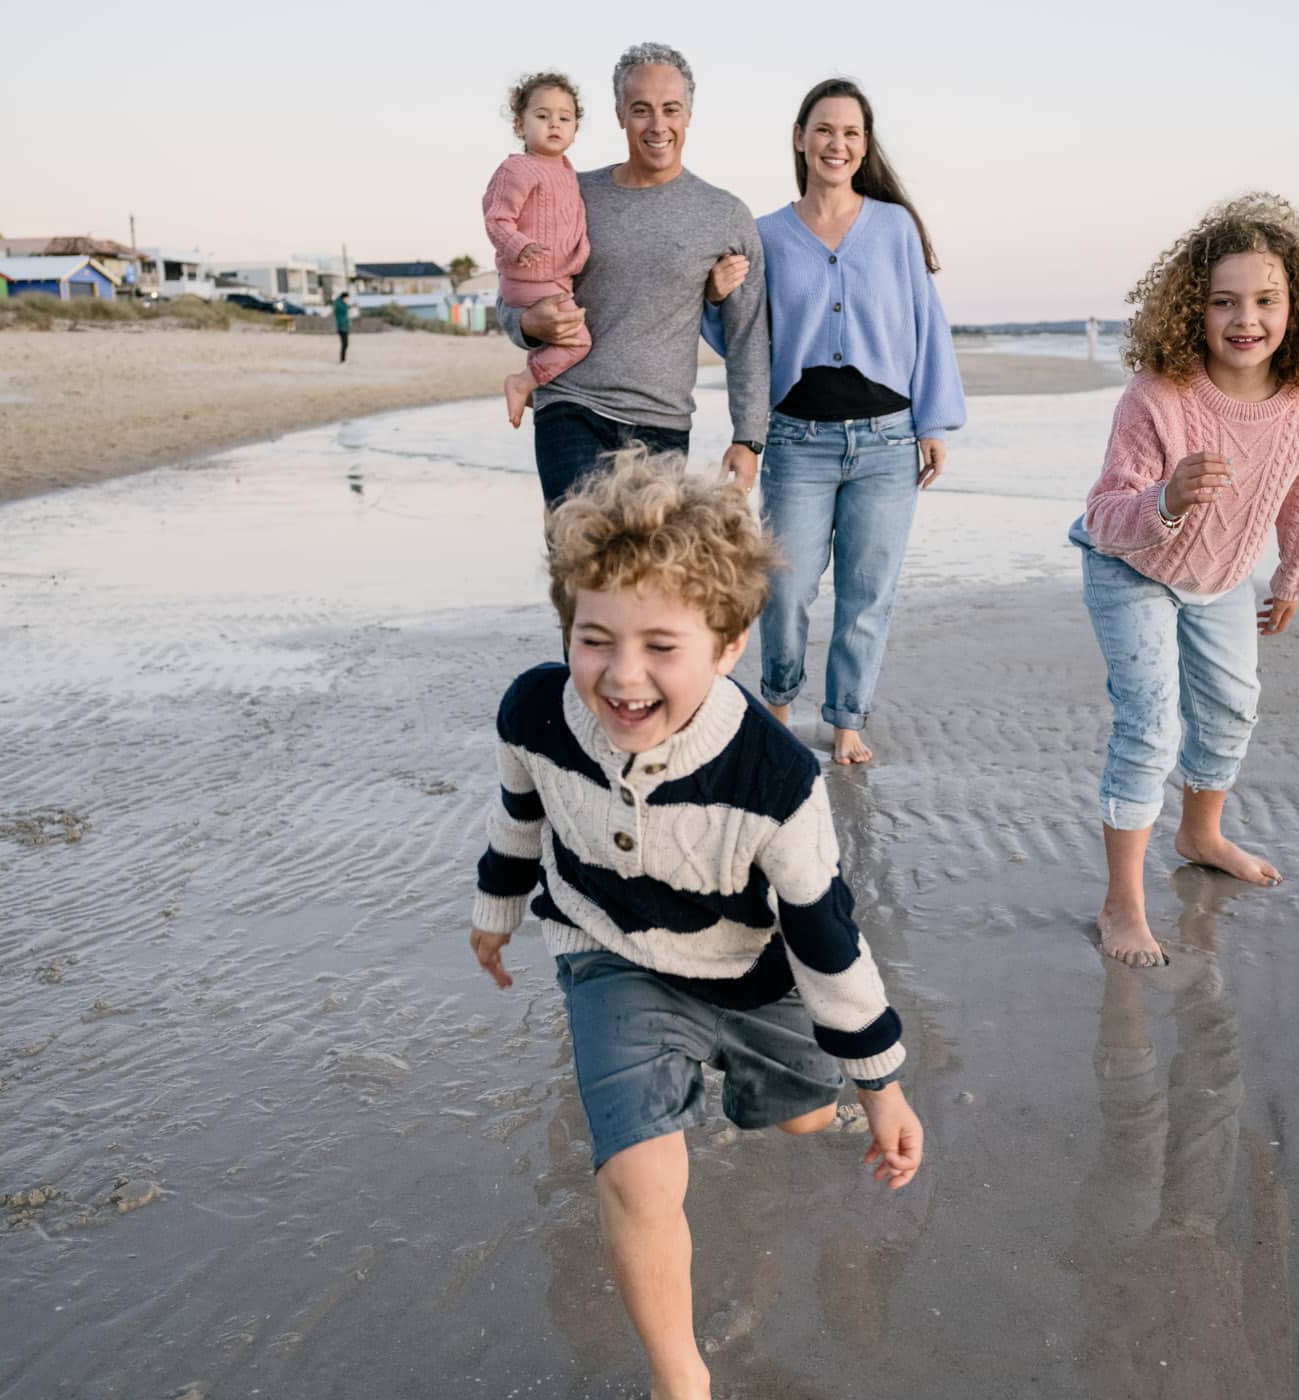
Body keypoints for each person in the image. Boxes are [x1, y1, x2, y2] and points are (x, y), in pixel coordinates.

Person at [468, 448, 924, 1400]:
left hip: (756, 977)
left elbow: (828, 940)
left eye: (660, 646)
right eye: (594, 639)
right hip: (611, 954)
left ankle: (793, 1096)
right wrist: (498, 910)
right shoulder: (534, 715)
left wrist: (878, 1082)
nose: (622, 677)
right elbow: (521, 813)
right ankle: (682, 1378)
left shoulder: (776, 783)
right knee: (637, 1176)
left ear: (727, 644)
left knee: (799, 1117)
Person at [1069, 192, 1299, 966]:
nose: (1246, 320)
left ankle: (1201, 833)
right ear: (1194, 308)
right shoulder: (1158, 395)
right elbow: (1103, 514)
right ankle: (1121, 904)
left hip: (1224, 573)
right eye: (1225, 302)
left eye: (1266, 300)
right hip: (1132, 567)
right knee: (1151, 725)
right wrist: (1164, 497)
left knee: (1232, 707)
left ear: (1297, 304)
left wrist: (1292, 573)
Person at [710, 78, 963, 765]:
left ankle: (848, 721)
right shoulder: (765, 235)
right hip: (797, 440)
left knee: (866, 593)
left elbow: (925, 323)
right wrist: (715, 297)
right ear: (800, 138)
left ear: (865, 145)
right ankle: (778, 707)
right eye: (825, 129)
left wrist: (934, 422)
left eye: (852, 133)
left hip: (887, 439)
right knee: (784, 587)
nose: (838, 144)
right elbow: (741, 334)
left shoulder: (894, 227)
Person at [498, 42, 770, 505]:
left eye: (671, 109)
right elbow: (513, 287)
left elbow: (747, 337)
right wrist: (526, 324)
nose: (658, 125)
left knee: (646, 577)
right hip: (572, 406)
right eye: (641, 109)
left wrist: (747, 439)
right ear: (620, 114)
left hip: (662, 423)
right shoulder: (572, 193)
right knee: (581, 567)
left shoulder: (724, 215)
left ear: (688, 115)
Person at [482, 71, 591, 429]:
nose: (554, 125)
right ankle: (524, 382)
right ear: (520, 123)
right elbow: (496, 218)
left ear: (575, 127)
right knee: (578, 341)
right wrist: (519, 245)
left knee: (567, 336)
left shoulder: (566, 170)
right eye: (542, 116)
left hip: (555, 278)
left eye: (565, 118)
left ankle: (534, 384)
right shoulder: (517, 169)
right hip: (528, 275)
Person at [332, 291, 351, 363]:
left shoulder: (341, 304)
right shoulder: (339, 304)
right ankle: (342, 360)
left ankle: (343, 359)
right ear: (344, 297)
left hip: (345, 325)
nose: (348, 300)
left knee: (345, 344)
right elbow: (343, 311)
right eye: (347, 298)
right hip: (342, 326)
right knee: (345, 344)